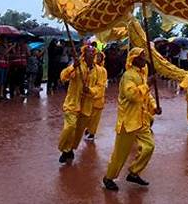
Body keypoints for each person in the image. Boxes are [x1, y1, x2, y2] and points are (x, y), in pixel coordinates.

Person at [103, 47, 161, 191]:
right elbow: (132, 96)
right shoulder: (128, 76)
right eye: (142, 57)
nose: (144, 59)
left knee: (149, 147)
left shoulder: (141, 74)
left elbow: (147, 96)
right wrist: (147, 84)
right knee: (120, 154)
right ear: (134, 59)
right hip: (128, 121)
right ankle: (109, 177)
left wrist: (154, 107)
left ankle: (134, 172)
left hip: (141, 120)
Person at [57, 45, 105, 163]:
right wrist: (72, 67)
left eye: (93, 52)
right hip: (72, 103)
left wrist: (90, 90)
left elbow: (100, 87)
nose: (92, 54)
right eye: (89, 52)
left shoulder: (98, 70)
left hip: (86, 105)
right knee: (70, 126)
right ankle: (64, 148)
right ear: (84, 54)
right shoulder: (77, 66)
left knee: (78, 131)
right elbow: (63, 77)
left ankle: (69, 149)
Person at [84, 51, 108, 140]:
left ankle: (92, 133)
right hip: (89, 98)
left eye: (99, 57)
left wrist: (91, 91)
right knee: (88, 117)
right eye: (96, 57)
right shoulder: (91, 69)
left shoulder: (102, 70)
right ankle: (89, 130)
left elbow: (101, 86)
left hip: (97, 98)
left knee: (95, 118)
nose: (97, 59)